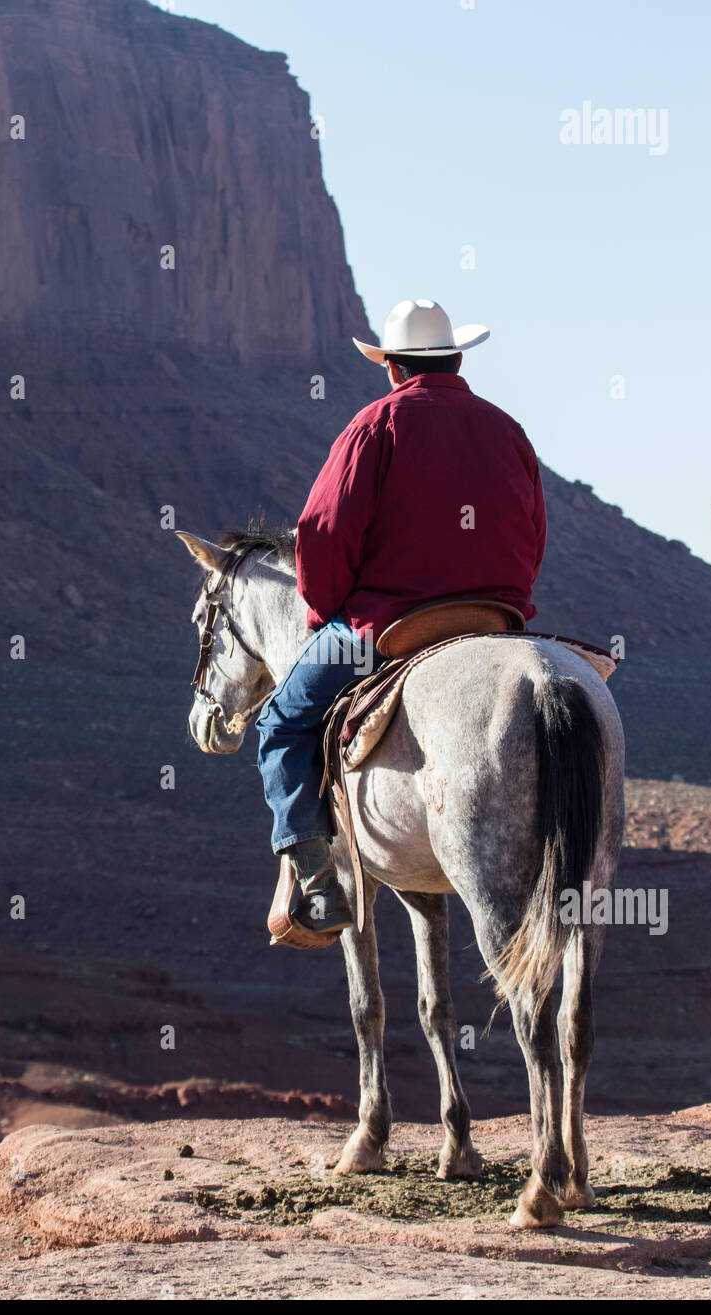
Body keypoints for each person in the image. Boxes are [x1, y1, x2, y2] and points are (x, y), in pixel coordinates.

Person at [255, 298, 547, 938]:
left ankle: (316, 886)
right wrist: (503, 599)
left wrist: (326, 613)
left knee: (280, 722)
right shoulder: (507, 431)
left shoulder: (373, 427)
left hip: (385, 629)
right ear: (458, 359)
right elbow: (533, 534)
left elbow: (324, 534)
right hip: (493, 622)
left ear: (391, 368)